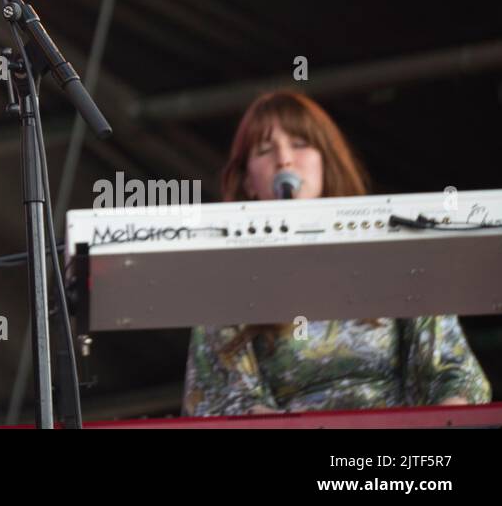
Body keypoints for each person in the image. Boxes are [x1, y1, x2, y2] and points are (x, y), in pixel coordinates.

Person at [181, 90, 491, 417]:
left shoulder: (394, 260)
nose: (284, 160)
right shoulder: (230, 287)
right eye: (265, 150)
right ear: (248, 183)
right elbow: (225, 401)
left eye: (300, 144)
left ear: (327, 162)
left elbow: (452, 372)